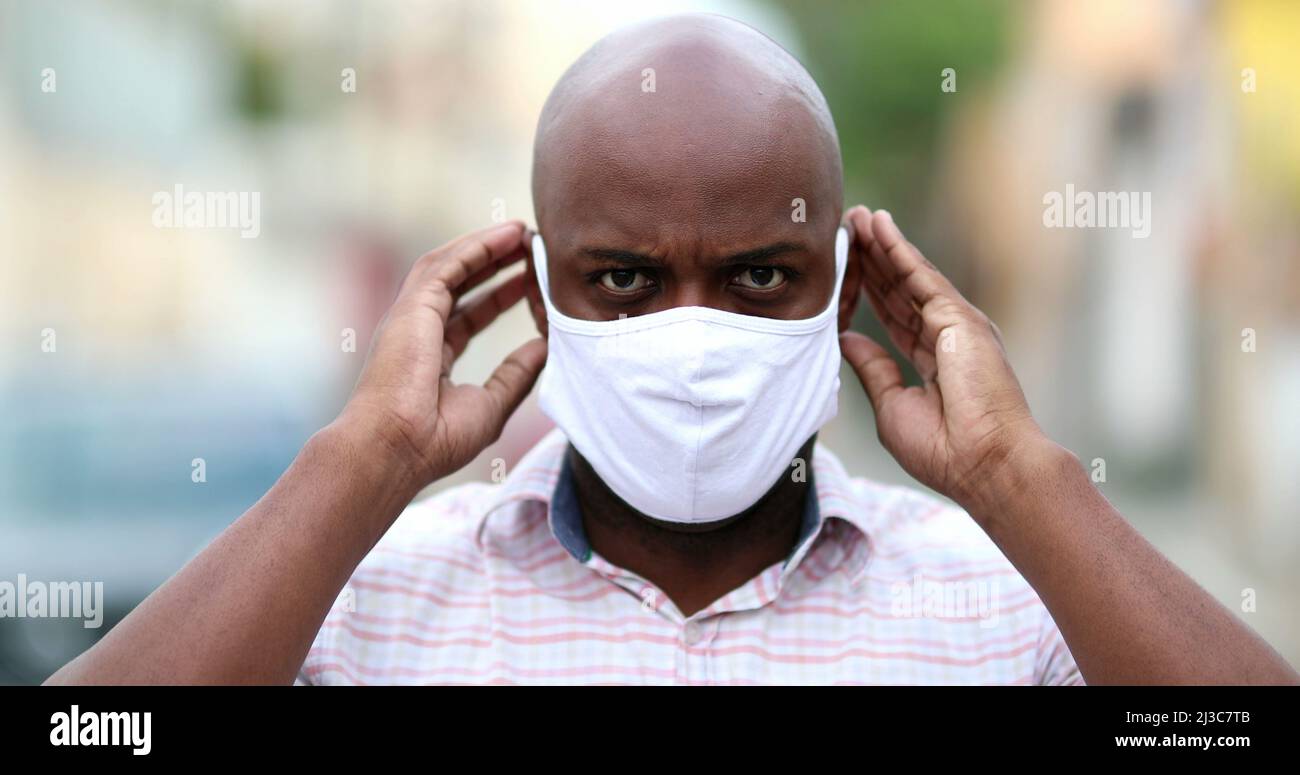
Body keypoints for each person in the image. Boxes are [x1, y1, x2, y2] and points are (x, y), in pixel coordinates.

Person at [47, 13, 1297, 685]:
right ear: (535, 296)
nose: (691, 333)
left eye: (759, 275)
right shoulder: (365, 607)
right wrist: (356, 465)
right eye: (624, 280)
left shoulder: (999, 603)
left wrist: (1020, 479)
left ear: (846, 288)